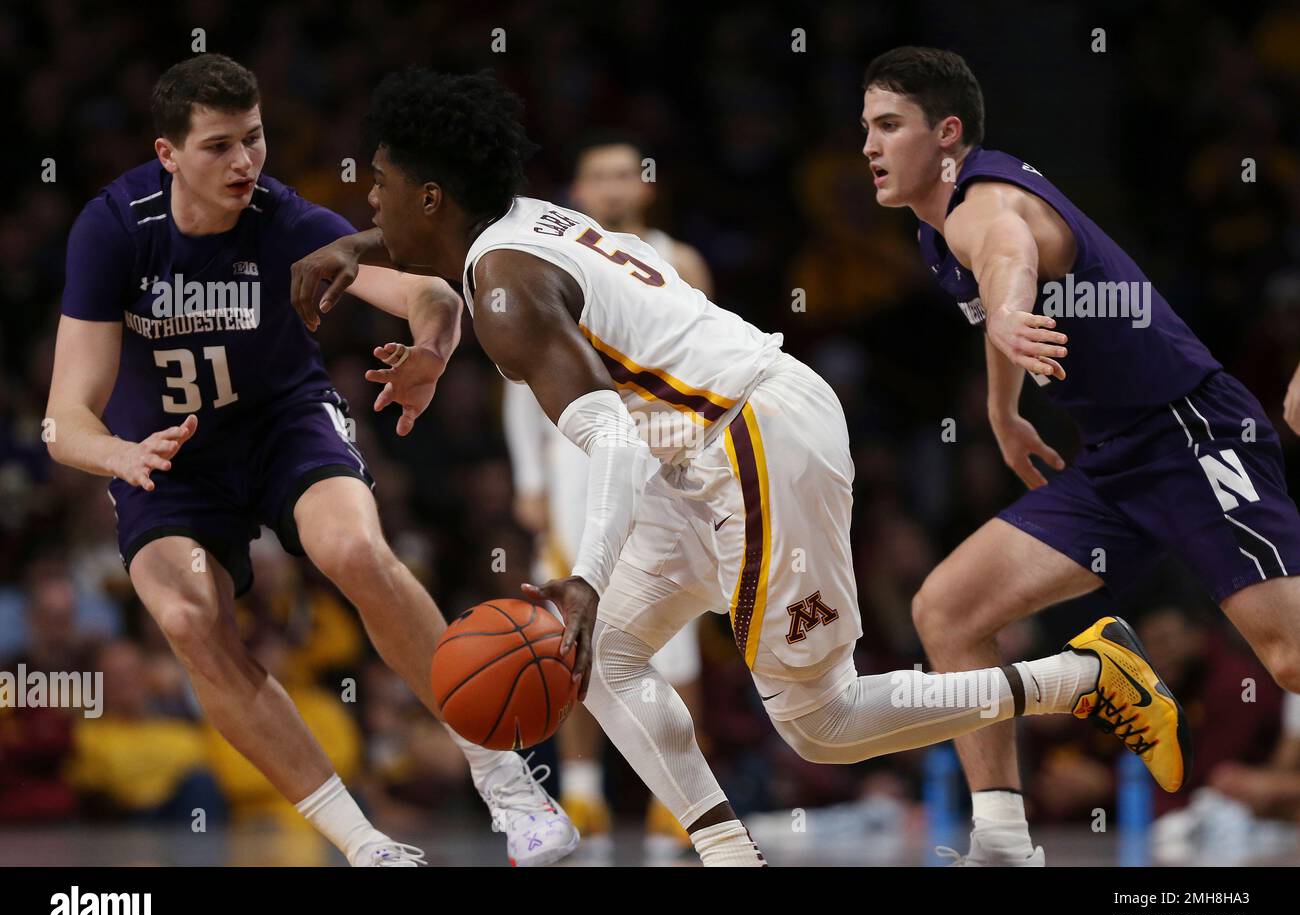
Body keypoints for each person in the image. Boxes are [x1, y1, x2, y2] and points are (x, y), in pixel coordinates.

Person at [293, 67, 1189, 867]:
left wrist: (582, 579)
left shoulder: (506, 291)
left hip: (753, 437)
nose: (369, 202)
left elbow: (609, 443)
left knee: (819, 724)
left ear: (433, 194)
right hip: (711, 445)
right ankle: (728, 854)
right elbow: (444, 252)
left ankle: (1084, 678)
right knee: (599, 660)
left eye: (380, 185)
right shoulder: (515, 231)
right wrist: (359, 247)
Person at [44, 53, 576, 867]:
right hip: (165, 454)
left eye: (253, 139)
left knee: (354, 548)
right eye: (219, 145)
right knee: (189, 619)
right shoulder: (114, 230)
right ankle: (364, 843)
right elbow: (62, 420)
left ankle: (508, 787)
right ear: (167, 154)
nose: (244, 162)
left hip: (281, 422)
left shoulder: (283, 217)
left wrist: (433, 346)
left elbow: (430, 292)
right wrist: (119, 453)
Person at [859, 45, 1300, 864]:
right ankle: (1002, 844)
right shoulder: (938, 224)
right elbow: (995, 293)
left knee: (1291, 660)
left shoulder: (983, 205)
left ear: (947, 134)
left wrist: (1007, 312)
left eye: (889, 126)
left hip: (1193, 431)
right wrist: (1002, 409)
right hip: (1118, 455)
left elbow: (1007, 259)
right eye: (865, 129)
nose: (869, 147)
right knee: (947, 612)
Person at [502, 132, 713, 854]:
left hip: (662, 466)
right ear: (578, 194)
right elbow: (520, 377)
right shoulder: (546, 258)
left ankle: (679, 798)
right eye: (601, 176)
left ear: (646, 187)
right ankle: (582, 793)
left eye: (629, 174)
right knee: (571, 631)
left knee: (677, 648)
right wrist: (528, 479)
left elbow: (707, 367)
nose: (617, 187)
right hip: (575, 464)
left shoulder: (681, 263)